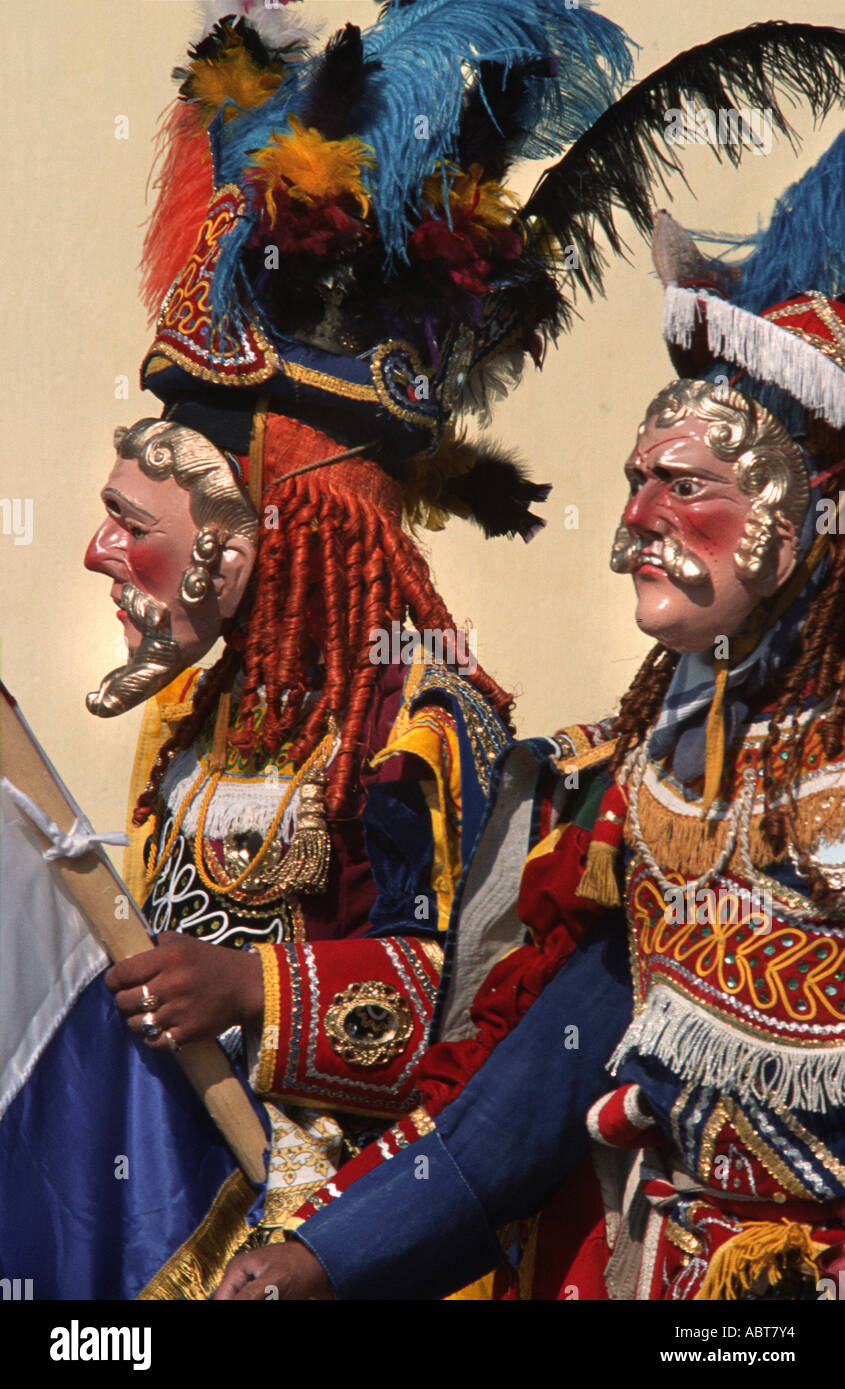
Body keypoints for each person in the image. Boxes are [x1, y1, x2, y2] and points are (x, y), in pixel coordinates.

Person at [214, 128, 845, 1301]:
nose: (629, 530)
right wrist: (324, 1257)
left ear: (810, 516)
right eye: (631, 483)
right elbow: (543, 1077)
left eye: (682, 487)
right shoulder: (654, 785)